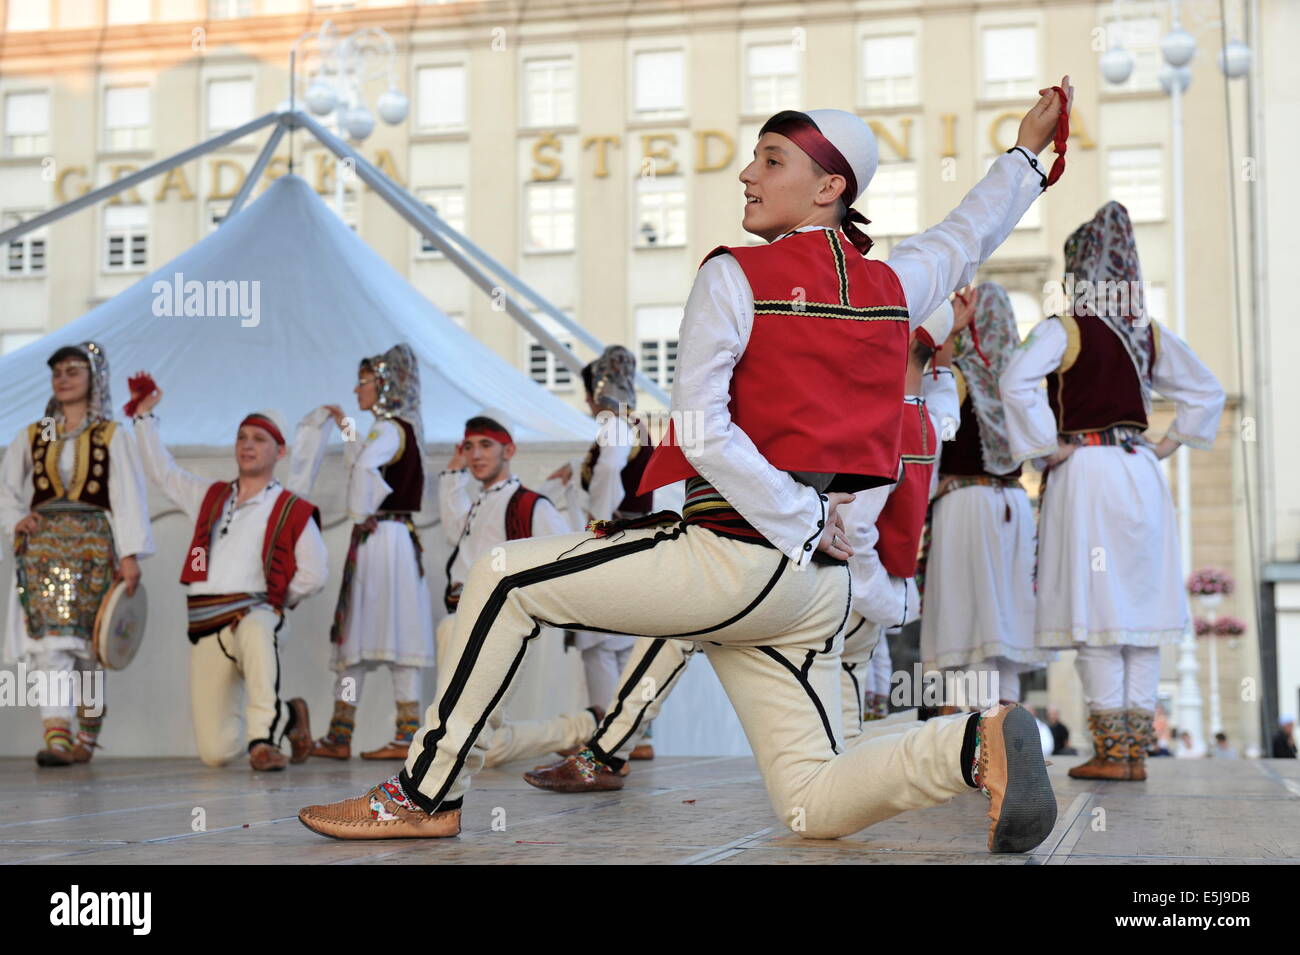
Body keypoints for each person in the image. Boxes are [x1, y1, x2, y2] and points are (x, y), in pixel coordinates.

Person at [299, 80, 1073, 851]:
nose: (748, 174)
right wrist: (1026, 155)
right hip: (816, 590)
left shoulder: (734, 275)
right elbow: (969, 232)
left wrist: (800, 520)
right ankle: (974, 743)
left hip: (739, 556)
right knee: (810, 802)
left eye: (772, 160)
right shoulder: (895, 287)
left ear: (828, 187)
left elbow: (700, 429)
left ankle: (424, 792)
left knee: (503, 576)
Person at [1001, 201, 1225, 782]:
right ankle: (1132, 755)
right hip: (1140, 468)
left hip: (1088, 468)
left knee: (1095, 610)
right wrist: (1171, 443)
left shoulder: (1064, 328)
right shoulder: (1145, 333)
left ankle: (1110, 752)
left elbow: (1014, 379)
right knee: (1139, 613)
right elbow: (1207, 389)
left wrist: (1044, 446)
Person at [132, 385, 328, 770]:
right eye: (242, 437)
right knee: (216, 752)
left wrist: (273, 603)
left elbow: (315, 573)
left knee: (257, 629)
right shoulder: (210, 495)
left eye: (259, 439)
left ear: (280, 451)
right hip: (206, 621)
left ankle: (263, 743)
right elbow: (162, 473)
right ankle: (288, 715)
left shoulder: (290, 506)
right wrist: (143, 419)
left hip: (255, 615)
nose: (247, 445)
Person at [0, 342, 152, 766]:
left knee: (89, 646)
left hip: (92, 551)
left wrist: (130, 553)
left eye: (73, 371)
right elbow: (6, 487)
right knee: (51, 645)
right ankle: (58, 738)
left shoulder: (108, 434)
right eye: (57, 373)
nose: (63, 380)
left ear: (92, 379)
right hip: (44, 555)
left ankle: (86, 736)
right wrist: (16, 517)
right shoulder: (39, 433)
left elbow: (126, 497)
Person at [290, 344, 436, 761]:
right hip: (389, 539)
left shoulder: (390, 429)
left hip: (384, 540)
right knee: (376, 634)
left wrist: (362, 510)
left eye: (364, 382)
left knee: (387, 633)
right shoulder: (394, 428)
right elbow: (366, 457)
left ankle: (382, 734)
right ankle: (349, 732)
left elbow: (366, 466)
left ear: (384, 384)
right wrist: (346, 427)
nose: (357, 390)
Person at [436, 411, 599, 765]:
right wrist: (452, 473)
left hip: (493, 627)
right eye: (468, 447)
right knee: (453, 733)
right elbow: (454, 531)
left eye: (485, 445)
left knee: (477, 745)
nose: (476, 455)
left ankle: (582, 725)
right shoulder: (480, 503)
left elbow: (565, 559)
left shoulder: (530, 504)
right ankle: (581, 725)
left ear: (509, 451)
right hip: (456, 621)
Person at [921, 282, 1054, 706]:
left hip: (966, 504)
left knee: (968, 620)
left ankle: (972, 742)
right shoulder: (1024, 382)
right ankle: (1004, 739)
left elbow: (927, 433)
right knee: (1002, 629)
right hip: (1014, 505)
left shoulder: (957, 377)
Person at [548, 345, 659, 759]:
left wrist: (598, 517)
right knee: (622, 642)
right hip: (636, 541)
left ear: (598, 391)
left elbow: (611, 470)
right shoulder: (637, 425)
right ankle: (635, 734)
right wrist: (578, 473)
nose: (587, 403)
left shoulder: (613, 426)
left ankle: (605, 736)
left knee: (598, 641)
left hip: (613, 539)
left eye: (589, 394)